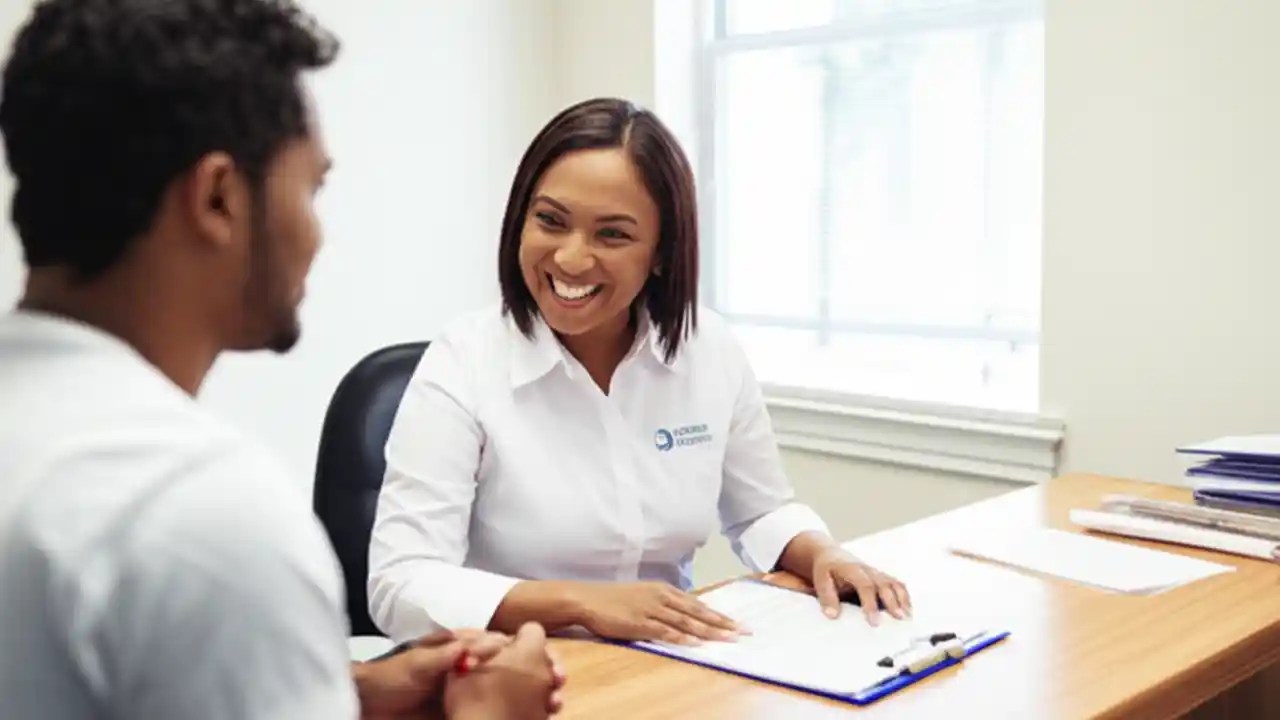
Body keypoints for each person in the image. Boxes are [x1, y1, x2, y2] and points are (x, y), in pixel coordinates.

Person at [0, 1, 562, 718]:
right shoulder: (198, 512)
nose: (316, 233)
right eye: (311, 188)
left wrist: (348, 692)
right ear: (218, 198)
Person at [368, 98, 912, 646]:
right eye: (551, 221)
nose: (572, 259)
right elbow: (399, 585)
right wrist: (581, 604)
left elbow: (759, 511)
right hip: (514, 672)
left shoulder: (708, 348)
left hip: (669, 665)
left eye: (612, 235)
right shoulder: (465, 359)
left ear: (661, 253)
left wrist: (822, 553)